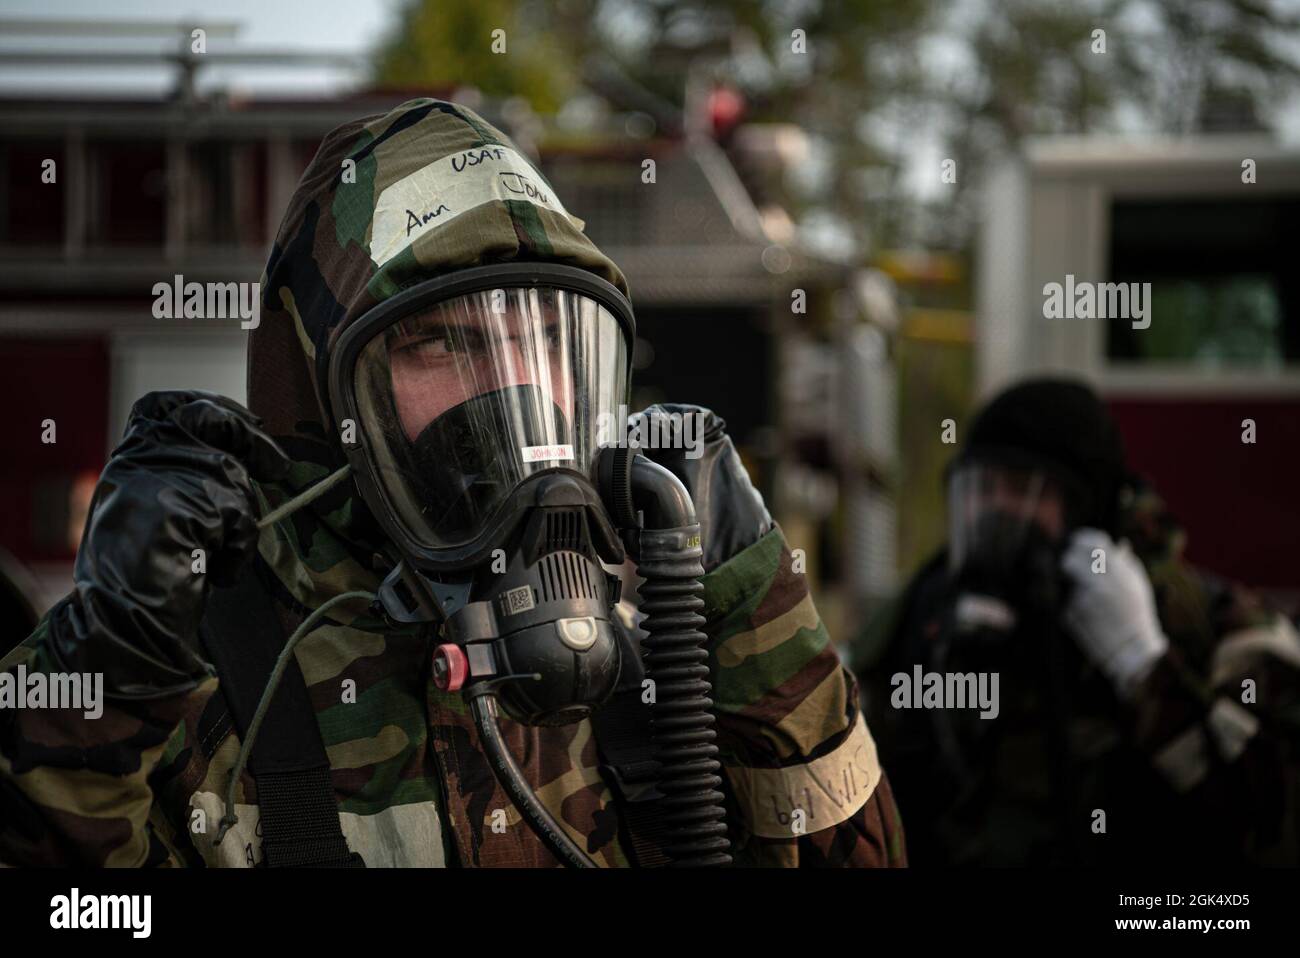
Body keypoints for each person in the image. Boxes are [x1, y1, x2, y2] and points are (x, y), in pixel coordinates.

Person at [0, 98, 905, 868]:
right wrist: (107, 665)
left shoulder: (657, 646)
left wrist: (762, 612)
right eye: (445, 341)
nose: (515, 387)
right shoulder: (212, 674)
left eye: (543, 338)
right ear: (325, 398)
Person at [850, 377, 1300, 866]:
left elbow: (1273, 823)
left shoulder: (1208, 623)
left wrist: (1144, 668)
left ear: (1088, 512)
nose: (995, 511)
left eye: (1022, 489)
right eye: (981, 488)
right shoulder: (925, 610)